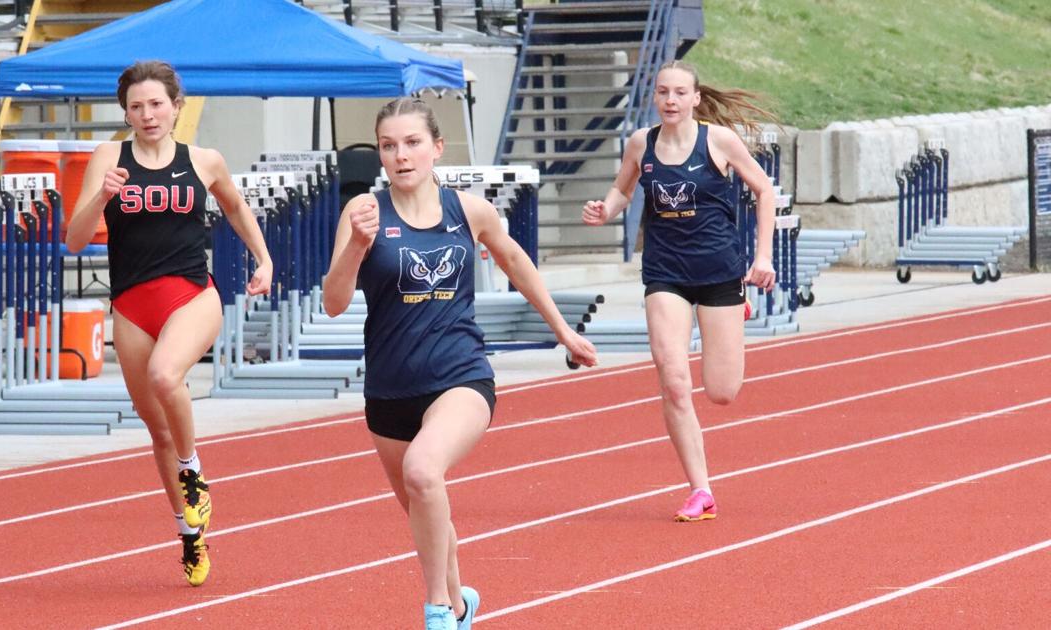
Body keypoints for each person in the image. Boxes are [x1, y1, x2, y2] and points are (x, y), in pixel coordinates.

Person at [323, 97, 598, 630]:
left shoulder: (468, 211)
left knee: (424, 472)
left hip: (461, 376)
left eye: (412, 143)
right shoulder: (362, 215)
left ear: (436, 148)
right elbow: (334, 302)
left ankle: (438, 611)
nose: (401, 156)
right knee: (425, 511)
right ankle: (462, 601)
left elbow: (516, 262)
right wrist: (356, 246)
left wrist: (564, 331)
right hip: (389, 389)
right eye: (388, 146)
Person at [66, 60, 272, 586]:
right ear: (126, 113)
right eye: (137, 106)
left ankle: (194, 471)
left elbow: (236, 208)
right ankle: (189, 533)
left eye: (156, 103)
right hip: (132, 304)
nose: (147, 114)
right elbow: (74, 238)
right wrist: (102, 196)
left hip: (191, 294)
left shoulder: (203, 160)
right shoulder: (108, 158)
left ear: (176, 107)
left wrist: (263, 259)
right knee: (156, 428)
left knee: (165, 376)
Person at [582, 60, 777, 523]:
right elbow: (623, 190)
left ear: (694, 99)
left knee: (722, 392)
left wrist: (762, 256)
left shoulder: (719, 142)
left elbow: (764, 190)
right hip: (665, 272)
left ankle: (736, 312)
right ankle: (700, 489)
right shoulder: (640, 144)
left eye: (679, 93)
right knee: (673, 379)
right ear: (655, 97)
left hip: (718, 272)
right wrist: (604, 209)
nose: (670, 100)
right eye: (663, 92)